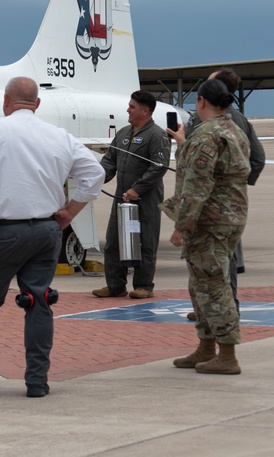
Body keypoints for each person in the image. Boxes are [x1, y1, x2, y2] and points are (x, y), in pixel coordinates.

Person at [0, 77, 104, 398]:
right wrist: (70, 212)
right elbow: (94, 174)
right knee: (39, 301)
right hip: (46, 230)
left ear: (6, 102)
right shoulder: (60, 136)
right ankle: (37, 381)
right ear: (37, 104)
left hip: (1, 232)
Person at [162, 79, 250, 375]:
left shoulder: (207, 135)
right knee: (200, 282)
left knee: (213, 285)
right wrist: (183, 143)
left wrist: (182, 225)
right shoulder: (233, 130)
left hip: (209, 221)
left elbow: (197, 184)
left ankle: (227, 355)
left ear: (200, 101)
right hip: (230, 217)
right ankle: (206, 346)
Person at [176, 67, 264, 319]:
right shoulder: (240, 121)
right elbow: (257, 158)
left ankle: (217, 313)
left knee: (212, 264)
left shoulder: (207, 124)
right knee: (226, 260)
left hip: (207, 208)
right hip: (231, 207)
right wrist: (236, 185)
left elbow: (196, 167)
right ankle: (219, 309)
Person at [92, 91, 170, 300]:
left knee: (145, 240)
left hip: (146, 198)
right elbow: (110, 161)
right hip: (122, 197)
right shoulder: (123, 133)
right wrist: (96, 179)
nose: (128, 110)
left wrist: (138, 188)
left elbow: (159, 166)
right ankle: (115, 285)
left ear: (145, 111)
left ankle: (144, 285)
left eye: (132, 107)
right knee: (113, 241)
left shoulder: (157, 135)